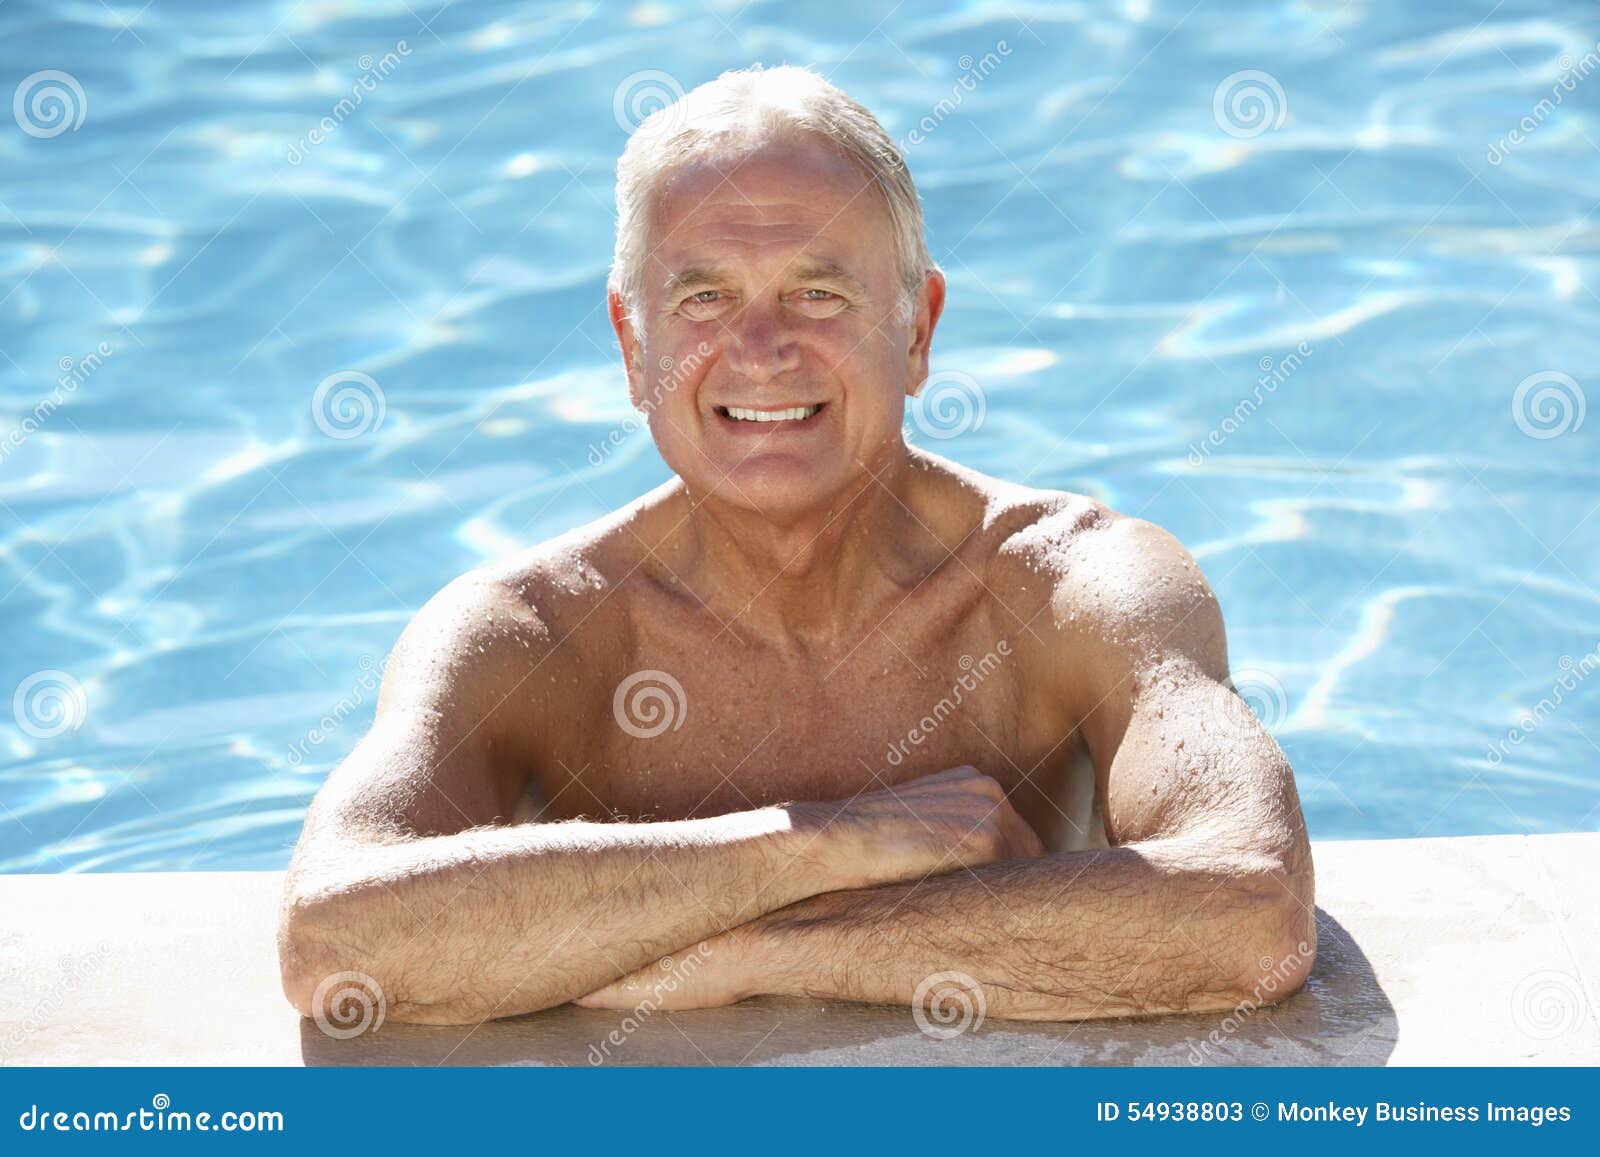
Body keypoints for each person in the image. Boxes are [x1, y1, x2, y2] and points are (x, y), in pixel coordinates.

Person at [277, 65, 1315, 1027]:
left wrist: (751, 950)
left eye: (818, 292)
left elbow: (1251, 911)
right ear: (632, 345)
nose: (761, 350)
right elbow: (334, 940)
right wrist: (815, 841)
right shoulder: (535, 630)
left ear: (916, 331)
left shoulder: (1070, 584)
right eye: (702, 298)